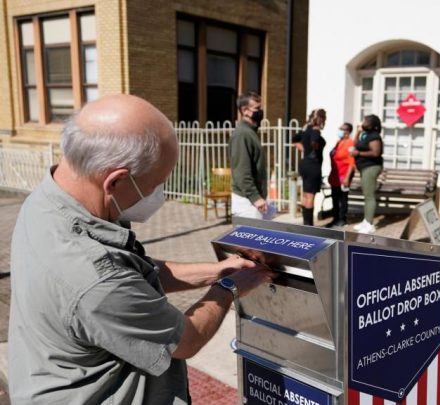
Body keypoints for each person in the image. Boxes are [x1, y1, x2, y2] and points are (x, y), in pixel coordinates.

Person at [8, 94, 275, 404]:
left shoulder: (48, 199)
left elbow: (132, 275)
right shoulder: (94, 278)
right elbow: (185, 340)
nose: (158, 195)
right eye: (156, 184)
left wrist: (215, 270)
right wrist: (227, 288)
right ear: (116, 181)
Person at [230, 91, 268, 219]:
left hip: (252, 202)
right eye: (257, 108)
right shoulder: (242, 134)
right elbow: (242, 171)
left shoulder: (250, 132)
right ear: (245, 110)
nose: (260, 111)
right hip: (247, 203)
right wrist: (256, 198)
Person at [292, 109, 327, 226]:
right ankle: (309, 225)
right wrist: (314, 147)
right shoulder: (315, 131)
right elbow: (314, 141)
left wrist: (305, 150)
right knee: (310, 196)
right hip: (313, 166)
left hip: (304, 164)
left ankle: (305, 223)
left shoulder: (305, 129)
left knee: (305, 194)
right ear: (321, 119)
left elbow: (294, 139)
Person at [351, 114, 384, 234]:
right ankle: (366, 220)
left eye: (364, 120)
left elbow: (376, 153)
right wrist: (357, 132)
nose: (362, 122)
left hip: (371, 167)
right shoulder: (365, 135)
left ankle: (370, 225)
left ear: (370, 124)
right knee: (366, 194)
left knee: (369, 196)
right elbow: (354, 144)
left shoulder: (374, 136)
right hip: (364, 168)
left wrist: (358, 154)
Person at [326, 122, 356, 228]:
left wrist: (347, 177)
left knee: (342, 198)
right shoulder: (339, 142)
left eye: (342, 128)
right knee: (334, 197)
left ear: (347, 131)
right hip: (335, 175)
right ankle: (335, 219)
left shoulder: (350, 143)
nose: (339, 130)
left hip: (343, 175)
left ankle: (342, 219)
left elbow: (352, 163)